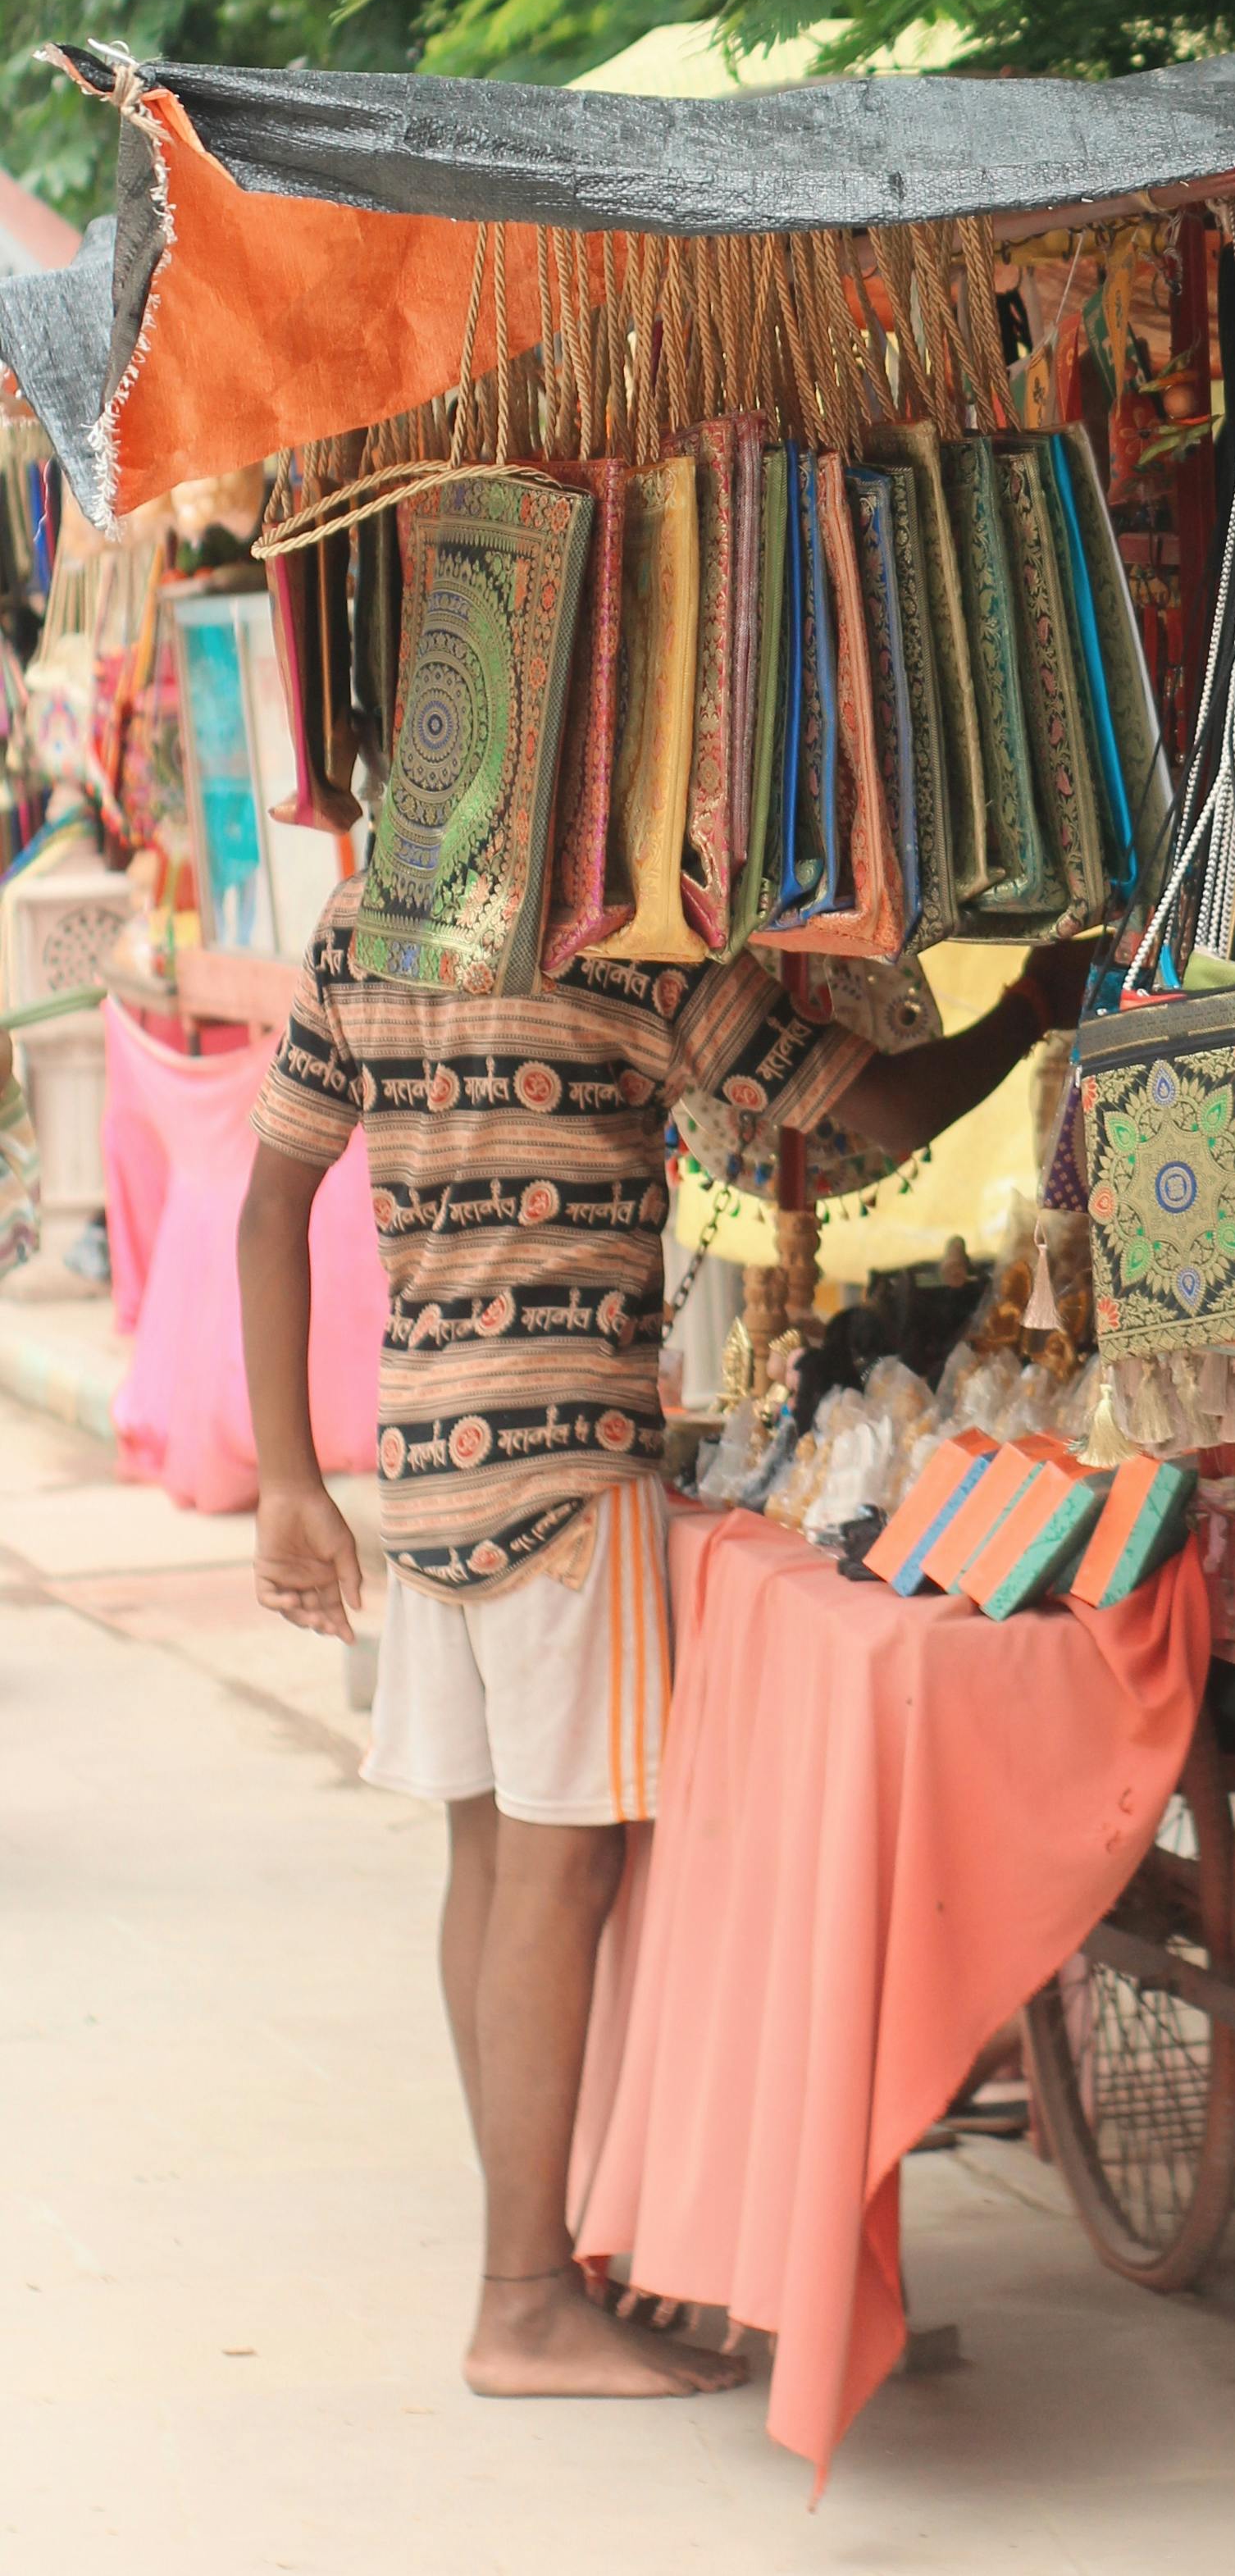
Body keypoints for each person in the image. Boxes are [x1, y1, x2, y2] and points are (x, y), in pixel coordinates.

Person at [237, 899, 1093, 2400]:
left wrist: (292, 1480)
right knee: (559, 1870)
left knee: (493, 1858)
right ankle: (523, 2294)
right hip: (569, 1460)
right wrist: (1034, 1008)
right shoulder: (616, 938)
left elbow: (269, 1206)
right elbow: (870, 1114)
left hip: (429, 1453)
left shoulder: (360, 922)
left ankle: (543, 2247)